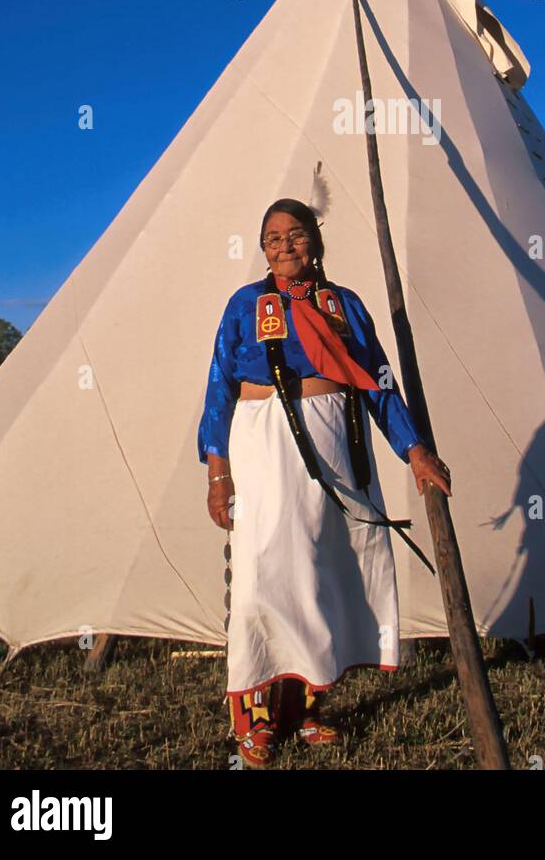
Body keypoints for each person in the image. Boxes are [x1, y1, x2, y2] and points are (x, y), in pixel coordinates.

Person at [198, 197, 452, 767]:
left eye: (295, 235)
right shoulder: (246, 305)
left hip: (336, 441)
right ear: (262, 248)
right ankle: (257, 719)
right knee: (263, 571)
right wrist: (219, 472)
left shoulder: (345, 305)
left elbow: (378, 382)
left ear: (315, 239)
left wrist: (414, 451)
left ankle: (311, 705)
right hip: (263, 440)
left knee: (326, 565)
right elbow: (219, 388)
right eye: (272, 238)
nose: (283, 246)